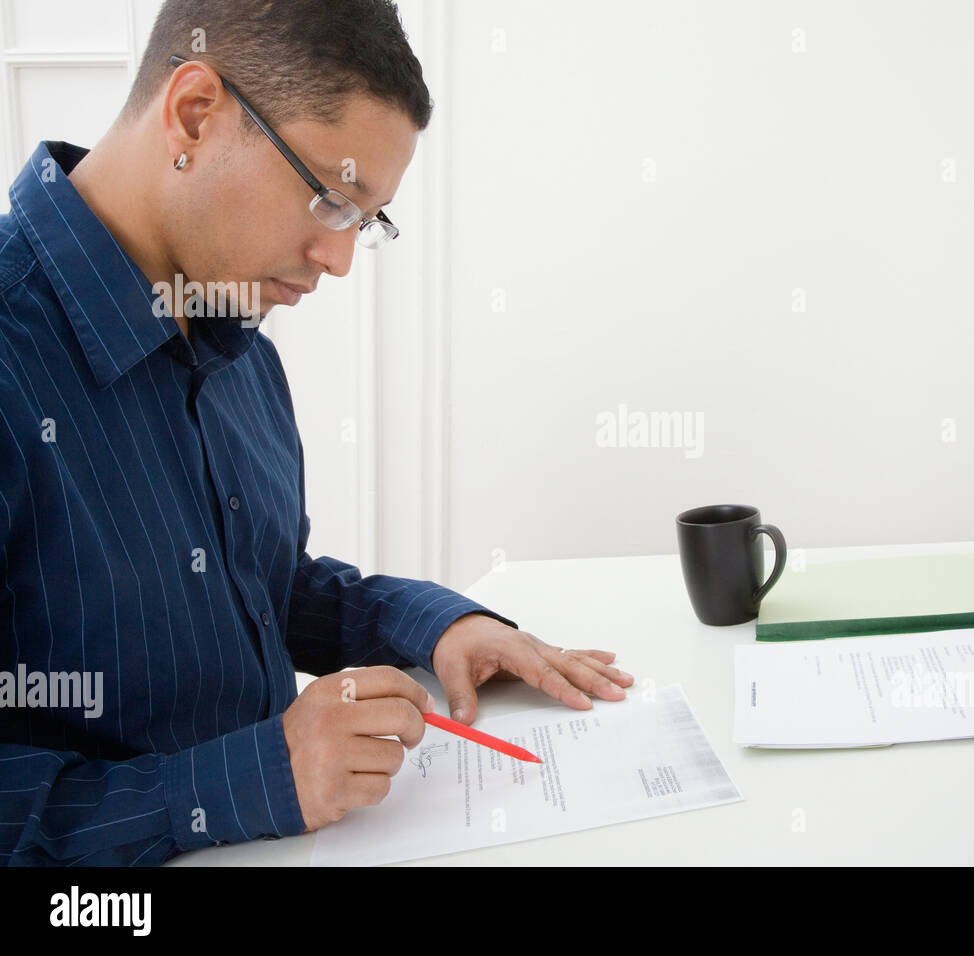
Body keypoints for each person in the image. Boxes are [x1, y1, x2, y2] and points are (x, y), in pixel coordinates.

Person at [0, 0, 633, 865]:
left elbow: (260, 589)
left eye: (363, 222)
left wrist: (435, 627)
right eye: (332, 200)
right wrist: (242, 783)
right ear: (195, 113)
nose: (338, 261)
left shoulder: (231, 335)